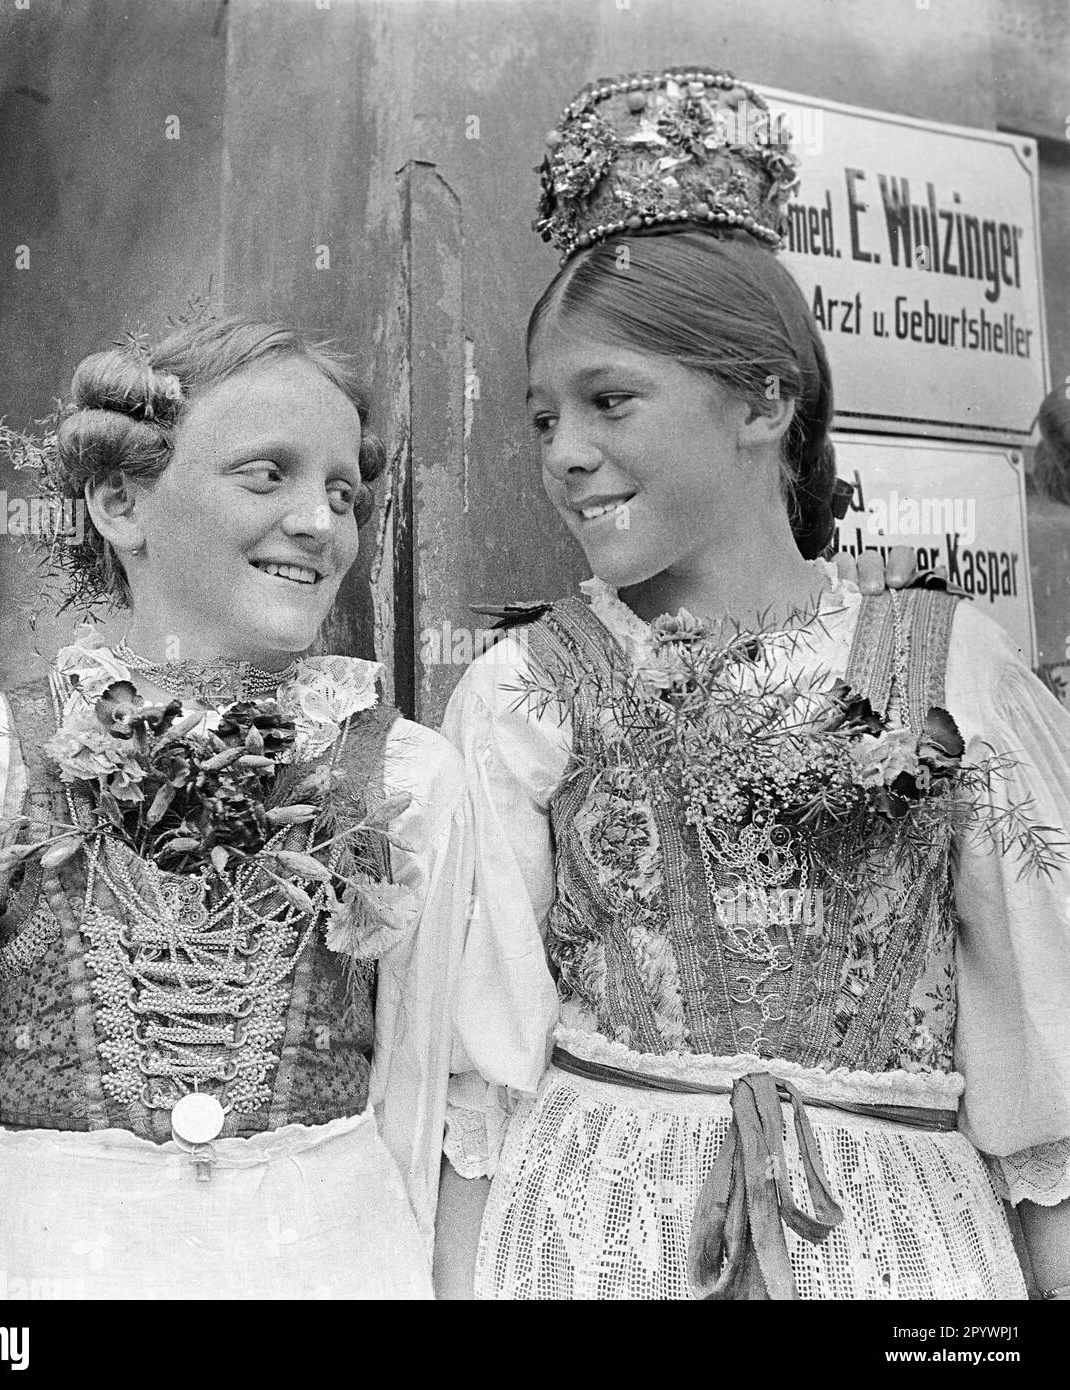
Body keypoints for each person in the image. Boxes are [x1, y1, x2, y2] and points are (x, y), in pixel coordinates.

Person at [436, 66, 1070, 1300]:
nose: (565, 454)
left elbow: (1043, 1066)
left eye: (608, 399)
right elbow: (480, 1076)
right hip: (593, 1237)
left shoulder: (946, 665)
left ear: (766, 399)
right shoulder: (526, 690)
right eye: (539, 419)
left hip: (898, 1253)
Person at [0, 317, 552, 1299]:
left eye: (340, 492)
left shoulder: (406, 780)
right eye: (265, 474)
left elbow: (438, 1097)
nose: (320, 522)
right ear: (121, 501)